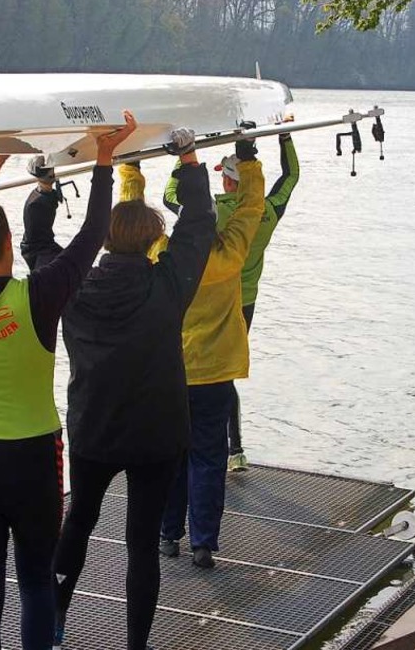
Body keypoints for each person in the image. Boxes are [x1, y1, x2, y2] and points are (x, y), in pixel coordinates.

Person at [0, 111, 136, 650]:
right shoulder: (39, 296)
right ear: (9, 240)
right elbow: (93, 236)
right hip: (32, 465)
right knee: (34, 588)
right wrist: (102, 159)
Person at [21, 128, 215, 650]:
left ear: (104, 240)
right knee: (141, 545)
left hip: (94, 428)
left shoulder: (71, 284)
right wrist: (189, 159)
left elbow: (36, 245)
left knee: (79, 520)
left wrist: (45, 190)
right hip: (158, 432)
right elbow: (200, 224)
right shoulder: (168, 283)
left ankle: (55, 620)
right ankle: (135, 646)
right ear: (154, 239)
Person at [164, 127, 300, 471]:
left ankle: (194, 442)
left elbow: (171, 197)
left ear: (226, 182)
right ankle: (235, 449)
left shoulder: (207, 212)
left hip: (209, 293)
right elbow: (291, 176)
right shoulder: (265, 211)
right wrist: (283, 136)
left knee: (200, 371)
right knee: (225, 377)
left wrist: (179, 157)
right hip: (246, 302)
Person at [159, 136, 265, 570]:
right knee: (208, 457)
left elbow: (131, 218)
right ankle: (203, 542)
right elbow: (251, 208)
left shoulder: (162, 254)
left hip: (172, 373)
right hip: (216, 374)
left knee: (171, 456)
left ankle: (168, 535)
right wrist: (249, 159)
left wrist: (129, 171)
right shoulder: (231, 254)